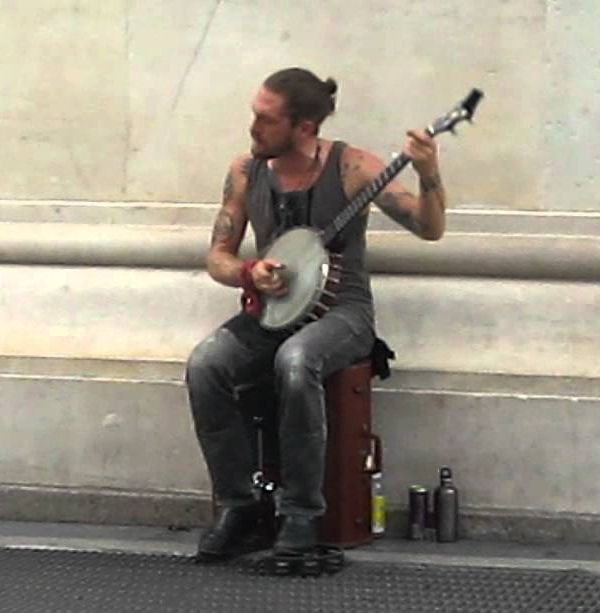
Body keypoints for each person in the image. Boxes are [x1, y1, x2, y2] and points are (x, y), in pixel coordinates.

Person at [185, 67, 447, 559]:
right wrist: (249, 271)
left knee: (297, 360)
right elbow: (217, 256)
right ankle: (238, 505)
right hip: (273, 309)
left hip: (342, 312)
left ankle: (301, 513)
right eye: (254, 116)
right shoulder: (246, 171)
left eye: (266, 120)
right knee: (206, 365)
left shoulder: (353, 168)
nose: (253, 128)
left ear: (304, 127)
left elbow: (429, 229)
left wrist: (428, 171)